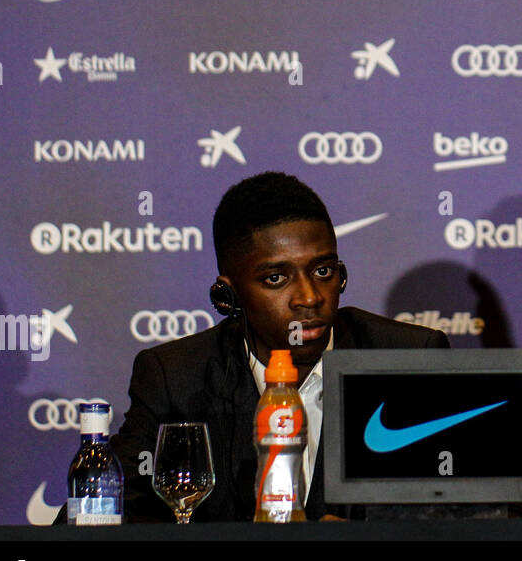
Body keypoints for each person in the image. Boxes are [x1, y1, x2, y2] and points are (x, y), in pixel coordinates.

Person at [99, 172, 447, 522]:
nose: (310, 297)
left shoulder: (408, 359)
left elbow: (460, 515)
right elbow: (99, 516)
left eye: (323, 271)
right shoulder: (174, 379)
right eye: (276, 278)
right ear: (228, 296)